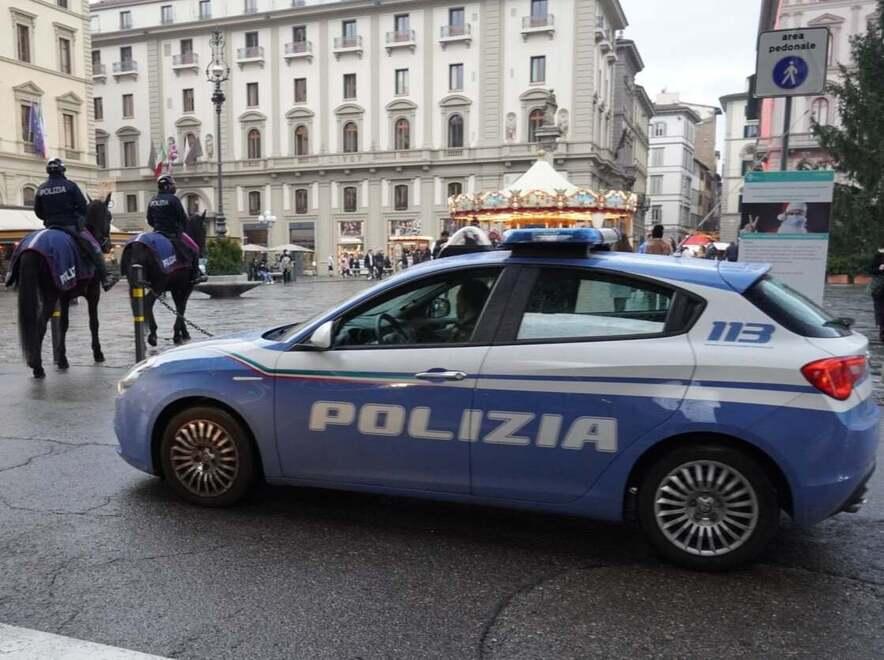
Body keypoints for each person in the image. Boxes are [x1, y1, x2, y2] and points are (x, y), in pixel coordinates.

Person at [23, 158, 116, 291]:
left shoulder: (41, 188)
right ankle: (105, 278)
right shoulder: (70, 185)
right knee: (94, 247)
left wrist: (48, 219)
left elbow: (38, 212)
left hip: (50, 226)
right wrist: (78, 218)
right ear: (62, 170)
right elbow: (83, 207)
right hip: (69, 226)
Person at [147, 175, 205, 284]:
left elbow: (149, 220)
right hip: (172, 234)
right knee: (195, 249)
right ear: (167, 187)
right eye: (173, 185)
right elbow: (183, 219)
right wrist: (179, 229)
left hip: (156, 233)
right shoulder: (173, 199)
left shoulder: (152, 200)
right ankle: (195, 274)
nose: (175, 187)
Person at [869, 249, 884, 342]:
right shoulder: (879, 256)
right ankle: (882, 332)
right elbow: (871, 270)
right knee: (881, 311)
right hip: (880, 290)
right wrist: (880, 268)